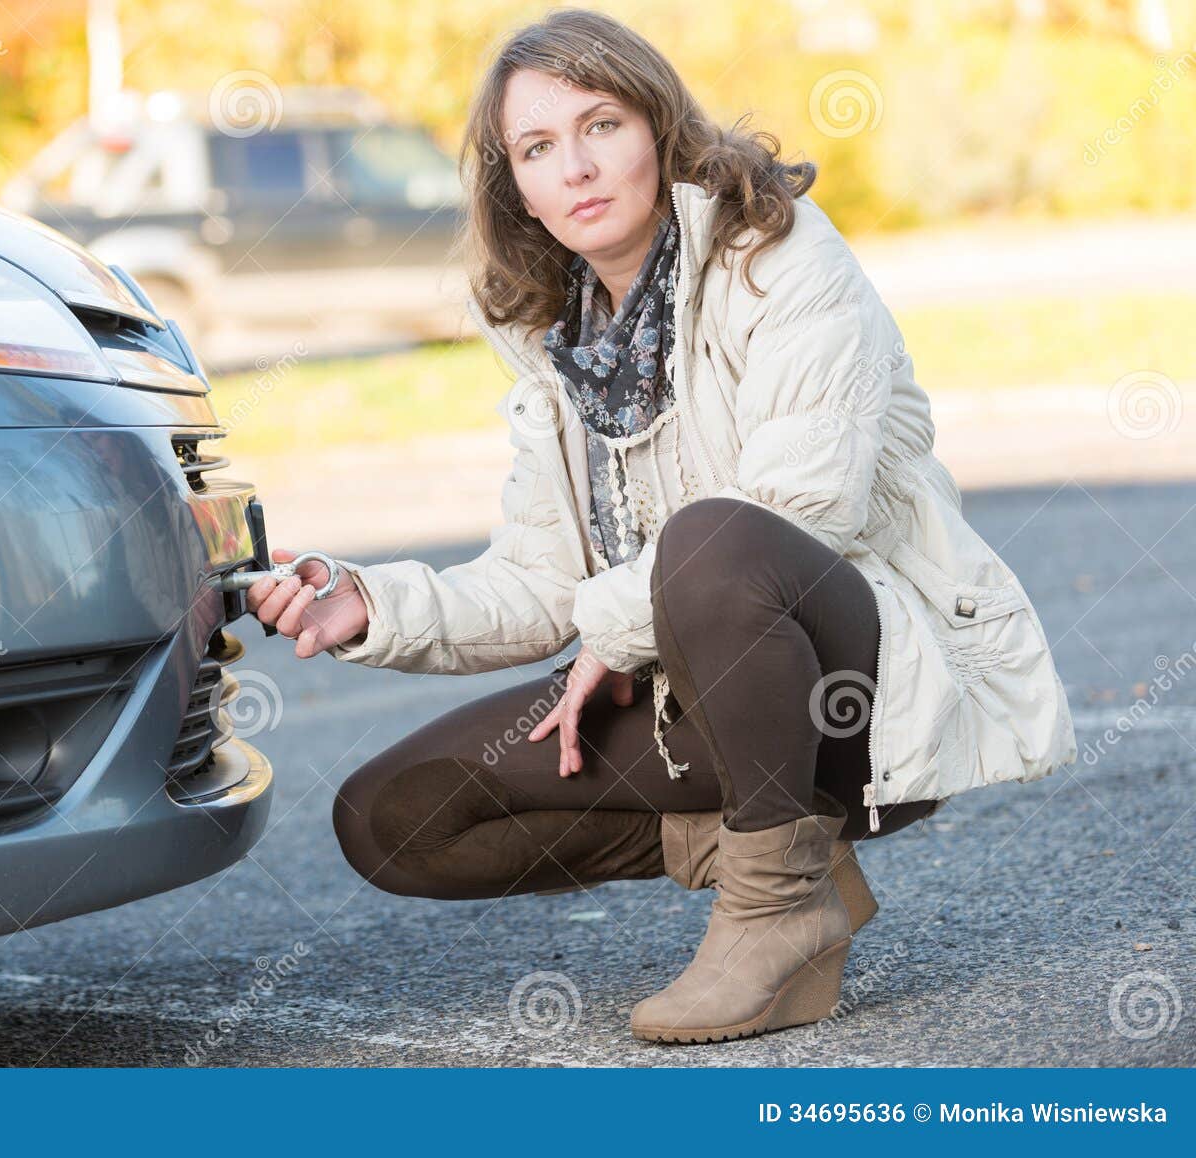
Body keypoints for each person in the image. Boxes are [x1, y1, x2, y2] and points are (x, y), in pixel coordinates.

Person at [243, 6, 1077, 1044]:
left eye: (601, 126)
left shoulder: (779, 257)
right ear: (519, 190)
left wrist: (612, 628)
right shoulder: (560, 349)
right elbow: (538, 582)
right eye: (538, 149)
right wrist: (370, 602)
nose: (577, 168)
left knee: (712, 539)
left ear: (659, 129)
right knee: (391, 820)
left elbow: (806, 501)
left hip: (855, 690)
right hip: (705, 697)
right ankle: (784, 861)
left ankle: (773, 908)